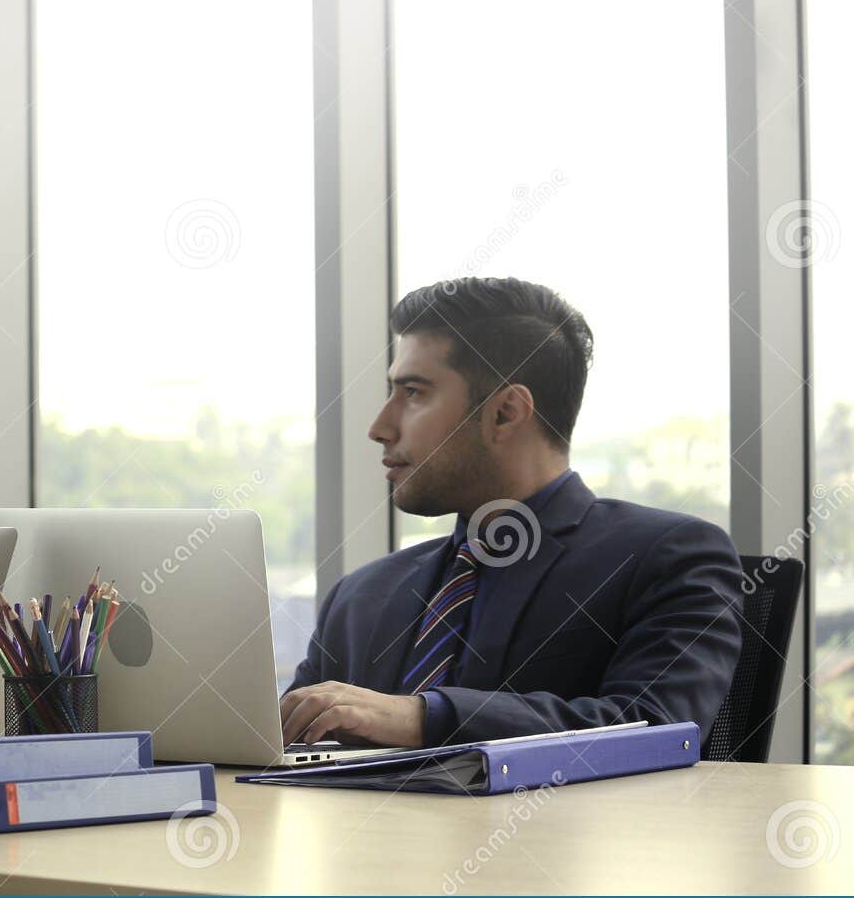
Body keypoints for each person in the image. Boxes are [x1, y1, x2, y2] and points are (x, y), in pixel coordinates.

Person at [282, 277, 742, 748]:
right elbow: (282, 752)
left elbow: (652, 728)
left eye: (414, 392)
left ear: (505, 412)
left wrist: (424, 718)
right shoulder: (360, 596)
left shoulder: (668, 559)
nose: (380, 427)